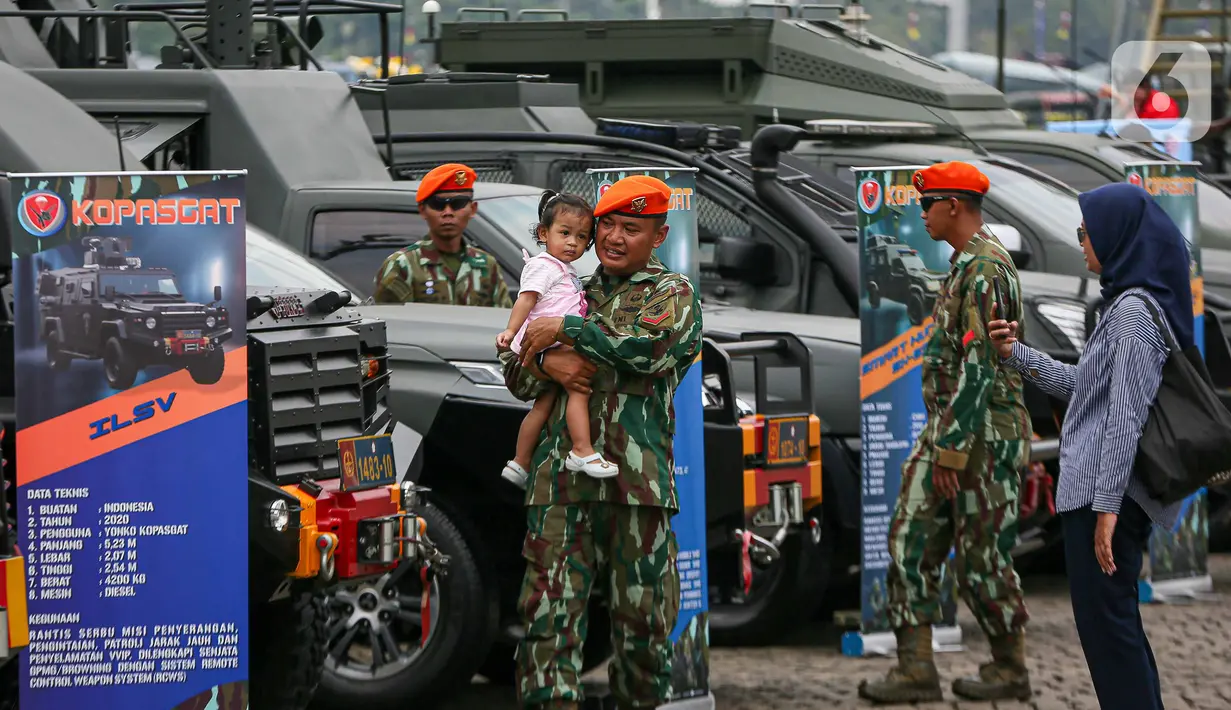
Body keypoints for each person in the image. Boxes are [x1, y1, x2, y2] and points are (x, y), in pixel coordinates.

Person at [498, 175, 703, 710]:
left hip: (637, 485)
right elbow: (516, 375)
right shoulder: (568, 285)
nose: (612, 237)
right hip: (559, 482)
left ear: (658, 236)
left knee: (644, 620)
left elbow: (649, 351)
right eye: (606, 225)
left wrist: (569, 334)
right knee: (548, 615)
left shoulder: (672, 295)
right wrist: (545, 360)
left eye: (630, 228)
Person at [989, 182, 1189, 710]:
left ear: (1117, 237)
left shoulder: (1132, 316)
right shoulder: (1126, 305)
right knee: (1113, 627)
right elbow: (1086, 386)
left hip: (1110, 496)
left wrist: (1104, 507)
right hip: (1105, 494)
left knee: (1109, 631)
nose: (1081, 240)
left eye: (1088, 230)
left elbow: (1125, 416)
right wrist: (1018, 355)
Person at [859, 161, 1033, 704]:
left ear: (953, 206)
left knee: (983, 556)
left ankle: (1010, 667)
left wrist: (953, 454)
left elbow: (980, 367)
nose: (921, 213)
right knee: (910, 540)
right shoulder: (964, 265)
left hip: (982, 435)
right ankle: (916, 668)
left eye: (927, 203)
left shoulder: (985, 269)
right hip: (949, 430)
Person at [498, 190, 619, 488]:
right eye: (564, 233)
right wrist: (511, 331)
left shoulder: (566, 269)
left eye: (581, 238)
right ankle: (582, 450)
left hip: (552, 342)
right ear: (543, 232)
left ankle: (519, 462)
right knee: (578, 389)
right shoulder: (544, 266)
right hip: (544, 341)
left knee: (544, 404)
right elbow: (525, 300)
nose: (572, 243)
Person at [372, 162, 513, 307]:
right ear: (422, 210)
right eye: (438, 205)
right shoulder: (403, 266)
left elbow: (505, 323)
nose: (448, 213)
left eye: (457, 204)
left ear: (472, 209)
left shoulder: (486, 266)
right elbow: (389, 323)